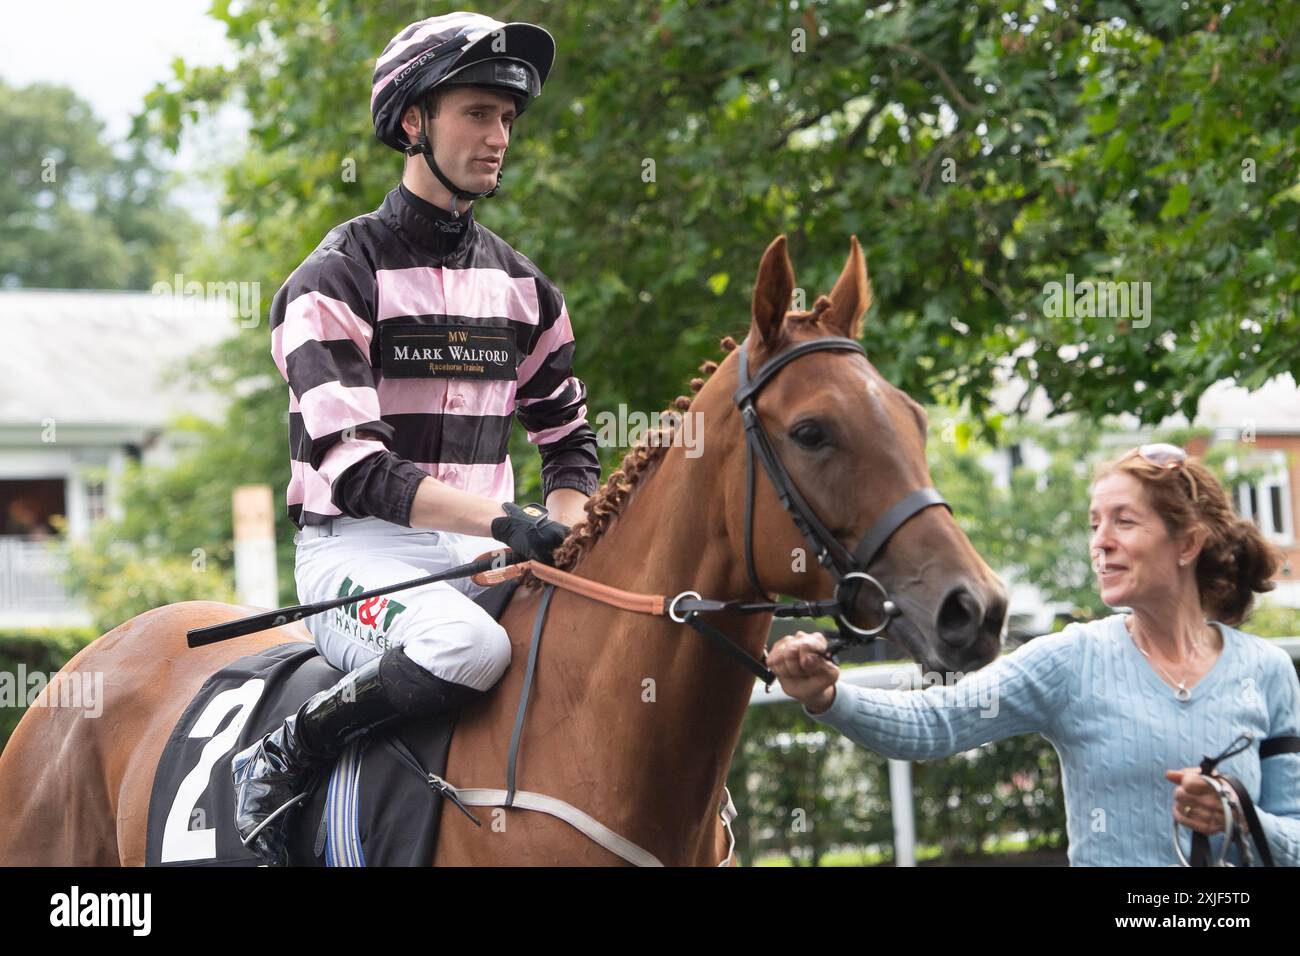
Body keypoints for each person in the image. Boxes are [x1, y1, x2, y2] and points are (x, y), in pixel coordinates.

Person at [231, 12, 600, 866]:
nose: (498, 136)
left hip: (486, 555)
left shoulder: (525, 289)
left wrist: (572, 528)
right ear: (412, 122)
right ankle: (289, 750)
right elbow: (356, 471)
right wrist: (508, 521)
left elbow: (569, 437)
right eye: (477, 112)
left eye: (507, 118)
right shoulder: (332, 278)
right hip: (359, 555)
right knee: (467, 645)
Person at [771, 443, 1300, 865]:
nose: (1101, 542)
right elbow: (937, 723)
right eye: (1095, 523)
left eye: (1124, 521)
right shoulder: (1072, 660)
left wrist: (1235, 816)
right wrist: (829, 696)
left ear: (1188, 545)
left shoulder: (1267, 671)